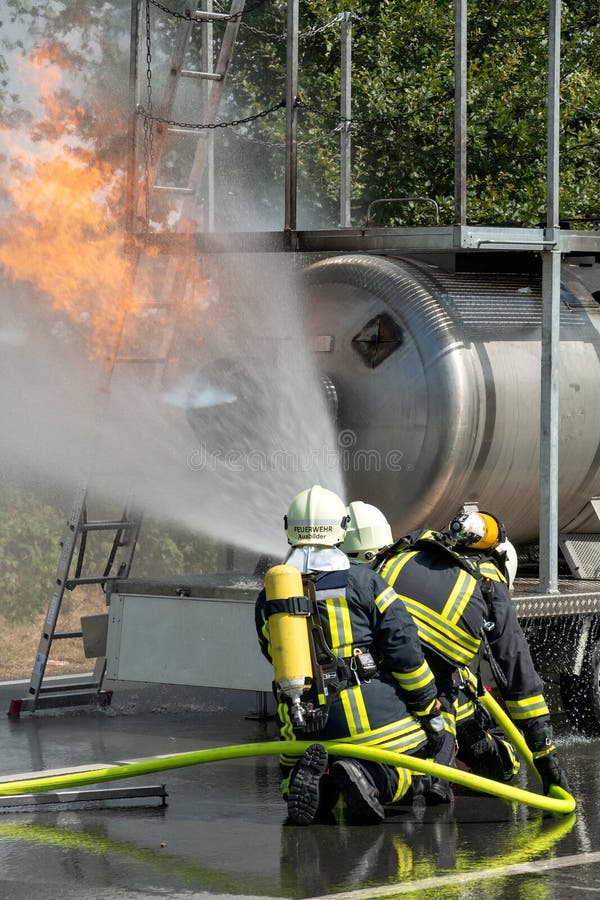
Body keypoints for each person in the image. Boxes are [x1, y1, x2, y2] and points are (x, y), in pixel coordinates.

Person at [342, 502, 570, 796]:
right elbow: (516, 669)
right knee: (447, 713)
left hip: (366, 663)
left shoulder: (410, 547)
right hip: (424, 672)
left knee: (446, 701)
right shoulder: (489, 581)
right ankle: (431, 776)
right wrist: (544, 754)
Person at [255, 485, 451, 825]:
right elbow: (404, 649)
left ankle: (318, 781)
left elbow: (273, 654)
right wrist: (428, 705)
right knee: (419, 763)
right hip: (371, 722)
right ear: (342, 530)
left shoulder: (268, 599)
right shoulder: (365, 582)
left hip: (302, 727)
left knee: (304, 763)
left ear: (289, 529)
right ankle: (374, 778)